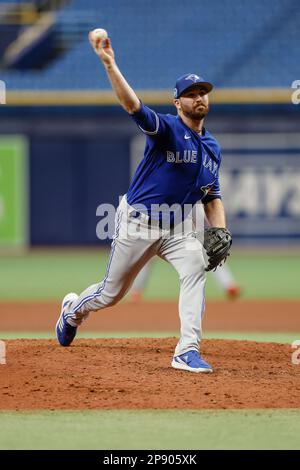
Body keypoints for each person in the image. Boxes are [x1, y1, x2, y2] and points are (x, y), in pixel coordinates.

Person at [56, 31, 232, 373]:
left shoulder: (212, 147)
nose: (199, 98)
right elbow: (132, 105)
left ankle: (186, 349)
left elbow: (212, 195)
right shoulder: (166, 128)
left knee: (196, 265)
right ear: (177, 103)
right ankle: (72, 311)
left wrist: (221, 230)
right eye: (190, 94)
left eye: (202, 93)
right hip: (139, 221)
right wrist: (109, 64)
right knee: (111, 294)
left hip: (178, 228)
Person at [130, 259, 241, 301]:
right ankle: (136, 289)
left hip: (185, 224)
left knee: (209, 251)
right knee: (148, 256)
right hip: (158, 221)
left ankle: (228, 285)